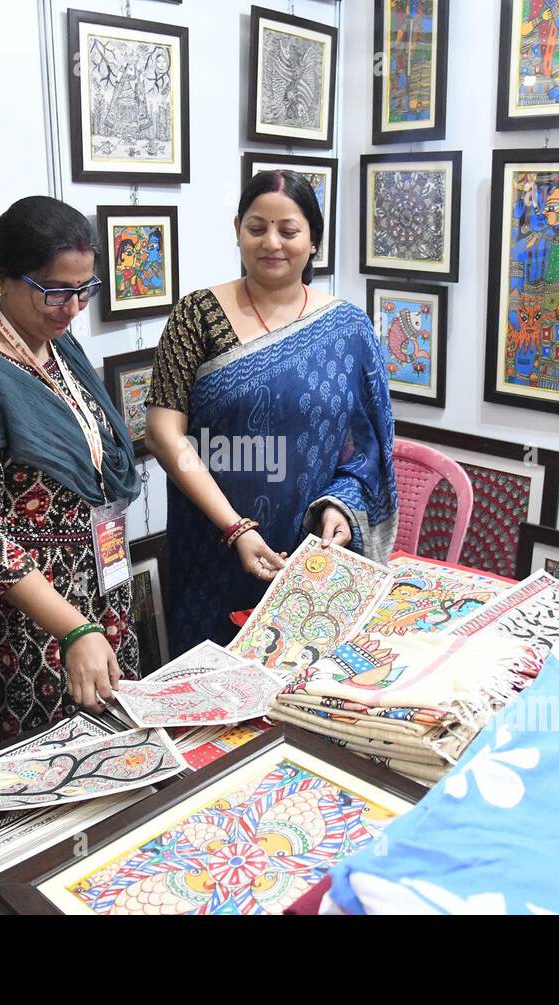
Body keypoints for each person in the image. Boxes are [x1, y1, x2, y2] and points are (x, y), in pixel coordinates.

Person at [0, 196, 141, 745]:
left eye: (84, 290)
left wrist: (94, 622)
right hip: (32, 624)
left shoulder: (57, 349)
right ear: (1, 280)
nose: (72, 308)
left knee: (123, 755)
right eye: (55, 291)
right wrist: (73, 627)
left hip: (100, 593)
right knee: (54, 770)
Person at [145, 170, 398, 657]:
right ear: (238, 228)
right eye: (256, 228)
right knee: (214, 691)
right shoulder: (197, 314)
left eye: (289, 230)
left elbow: (368, 449)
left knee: (305, 686)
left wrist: (339, 507)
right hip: (210, 543)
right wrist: (235, 527)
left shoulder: (346, 327)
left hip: (309, 552)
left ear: (313, 240)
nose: (271, 243)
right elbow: (162, 433)